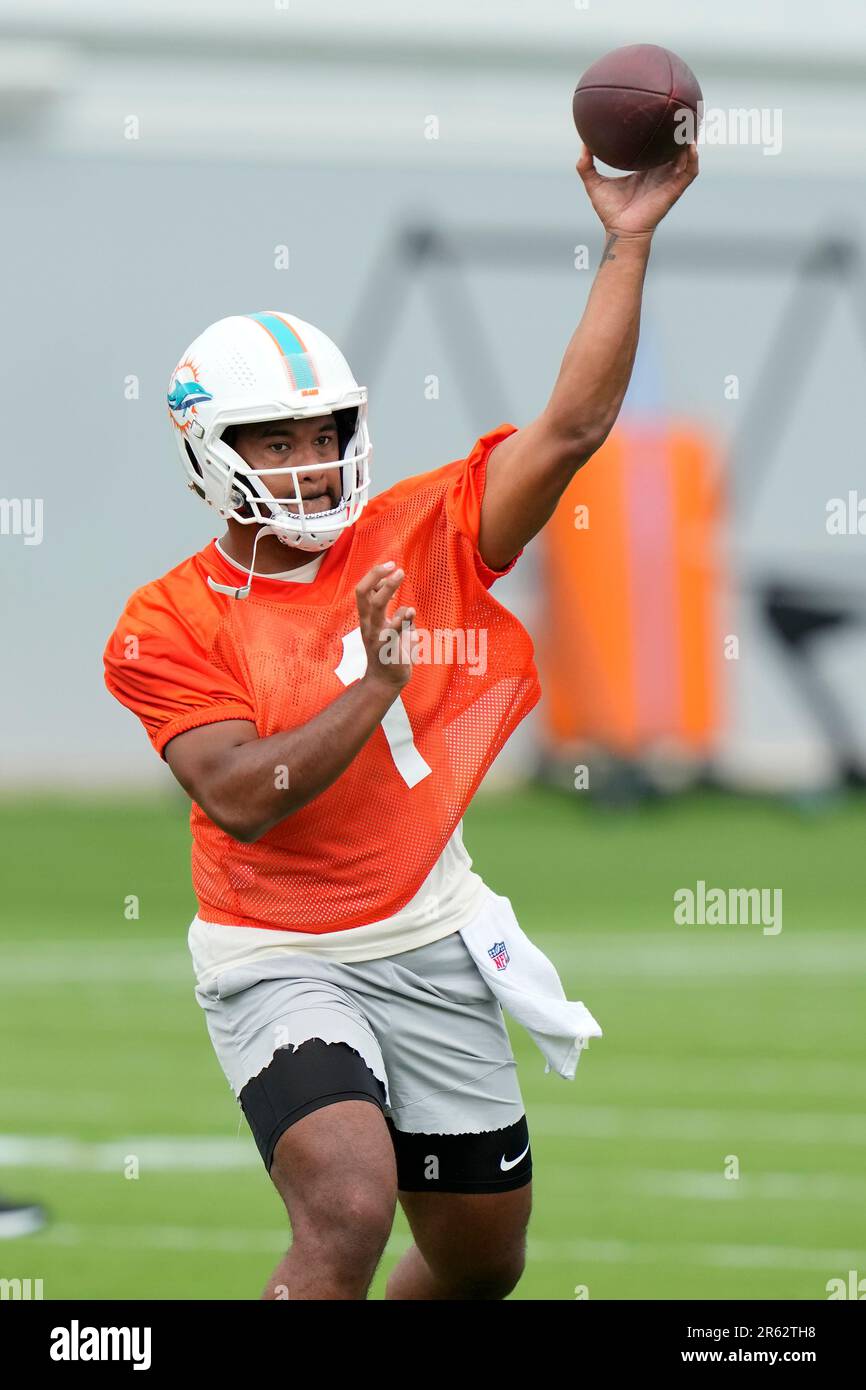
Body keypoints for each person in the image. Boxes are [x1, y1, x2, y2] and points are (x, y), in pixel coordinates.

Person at [104, 144, 699, 1300]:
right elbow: (242, 796)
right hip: (278, 951)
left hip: (431, 928)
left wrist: (627, 239)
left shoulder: (420, 532)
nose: (313, 464)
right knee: (346, 1205)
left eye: (325, 433)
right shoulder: (165, 619)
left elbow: (569, 430)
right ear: (209, 456)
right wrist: (374, 684)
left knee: (480, 1264)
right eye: (276, 441)